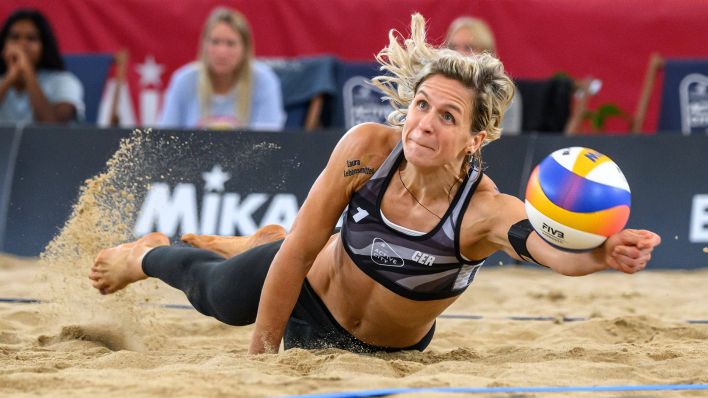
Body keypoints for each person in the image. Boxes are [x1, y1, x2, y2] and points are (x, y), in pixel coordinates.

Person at [90, 13, 660, 355]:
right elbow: (301, 249)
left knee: (263, 256)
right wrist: (260, 366)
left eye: (447, 117)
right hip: (310, 289)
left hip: (379, 351)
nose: (424, 124)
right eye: (420, 106)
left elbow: (554, 252)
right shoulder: (367, 148)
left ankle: (256, 238)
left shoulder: (484, 211)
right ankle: (145, 255)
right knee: (218, 296)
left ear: (476, 139)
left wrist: (606, 251)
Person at [158, 7, 285, 131]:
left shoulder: (263, 80)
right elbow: (164, 137)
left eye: (230, 43)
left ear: (245, 48)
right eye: (215, 42)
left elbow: (269, 141)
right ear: (204, 45)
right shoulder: (183, 80)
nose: (221, 52)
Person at [0, 9, 84, 125]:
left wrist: (28, 73)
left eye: (31, 38)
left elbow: (52, 127)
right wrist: (9, 79)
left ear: (44, 46)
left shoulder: (64, 82)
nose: (22, 44)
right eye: (15, 37)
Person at [445, 16, 521, 134]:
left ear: (487, 53)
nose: (458, 54)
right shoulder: (436, 85)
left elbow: (507, 143)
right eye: (453, 47)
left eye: (468, 48)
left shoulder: (504, 92)